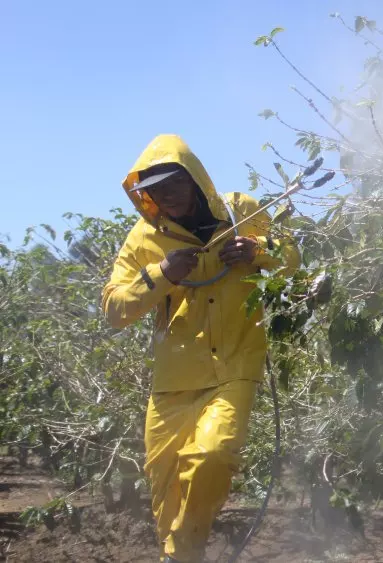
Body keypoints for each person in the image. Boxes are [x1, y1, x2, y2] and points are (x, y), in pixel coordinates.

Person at [101, 134, 300, 562]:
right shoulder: (143, 239)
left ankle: (178, 557)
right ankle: (182, 555)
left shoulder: (243, 211)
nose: (165, 195)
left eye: (173, 183)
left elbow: (292, 258)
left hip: (235, 365)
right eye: (153, 189)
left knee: (212, 455)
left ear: (194, 178)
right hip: (173, 381)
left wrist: (258, 250)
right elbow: (115, 309)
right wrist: (161, 273)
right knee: (166, 492)